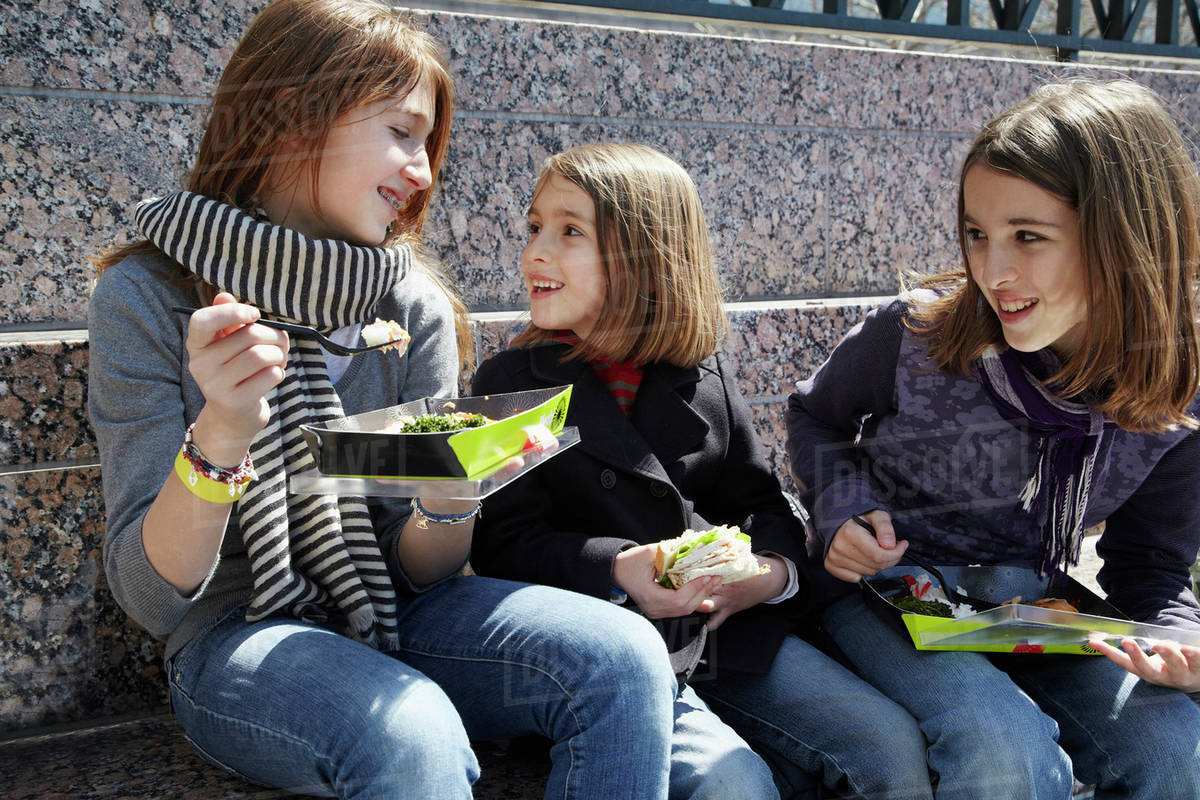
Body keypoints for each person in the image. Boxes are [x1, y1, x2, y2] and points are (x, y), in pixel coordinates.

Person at [87, 3, 771, 798]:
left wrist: (450, 501)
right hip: (235, 637)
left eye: (427, 143)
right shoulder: (149, 296)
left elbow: (421, 574)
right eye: (402, 132)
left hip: (395, 608)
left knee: (622, 650)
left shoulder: (408, 303)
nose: (422, 172)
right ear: (290, 116)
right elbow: (148, 596)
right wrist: (222, 434)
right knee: (409, 727)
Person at [469, 142, 934, 800]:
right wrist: (619, 565)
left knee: (888, 744)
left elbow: (762, 505)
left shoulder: (701, 374)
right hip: (606, 651)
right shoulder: (511, 382)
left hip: (723, 635)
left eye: (569, 231)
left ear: (644, 256)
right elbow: (501, 545)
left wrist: (766, 578)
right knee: (735, 785)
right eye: (535, 227)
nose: (536, 252)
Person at [786, 78, 1200, 799]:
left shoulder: (1178, 389)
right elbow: (813, 418)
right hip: (888, 597)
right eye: (977, 233)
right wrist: (843, 509)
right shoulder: (917, 332)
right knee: (1000, 745)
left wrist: (1179, 640)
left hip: (1035, 611)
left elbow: (1153, 564)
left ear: (1128, 239)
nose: (993, 270)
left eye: (1028, 237)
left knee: (1174, 750)